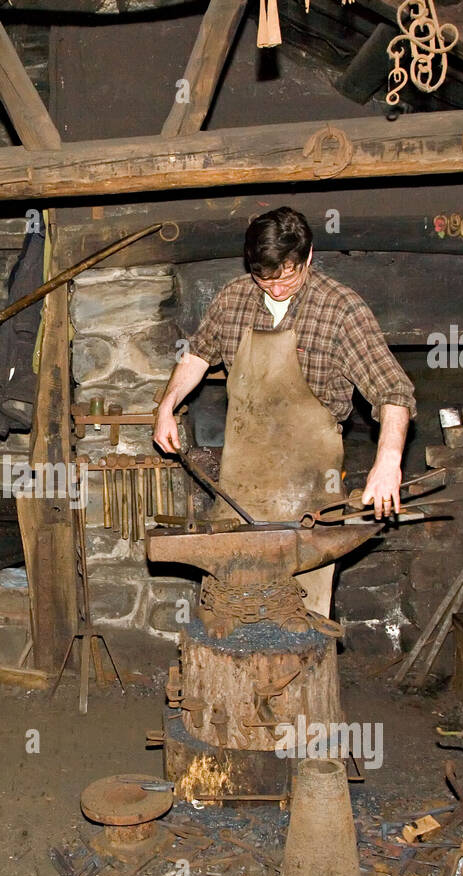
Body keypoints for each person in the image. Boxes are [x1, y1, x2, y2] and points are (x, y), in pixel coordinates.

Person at [152, 206, 415, 614]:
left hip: (309, 495)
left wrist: (388, 462)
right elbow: (197, 356)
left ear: (308, 257)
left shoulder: (340, 309)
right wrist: (166, 406)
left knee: (298, 619)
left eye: (287, 277)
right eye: (264, 278)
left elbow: (393, 391)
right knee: (229, 611)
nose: (275, 289)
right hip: (240, 491)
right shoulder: (234, 298)